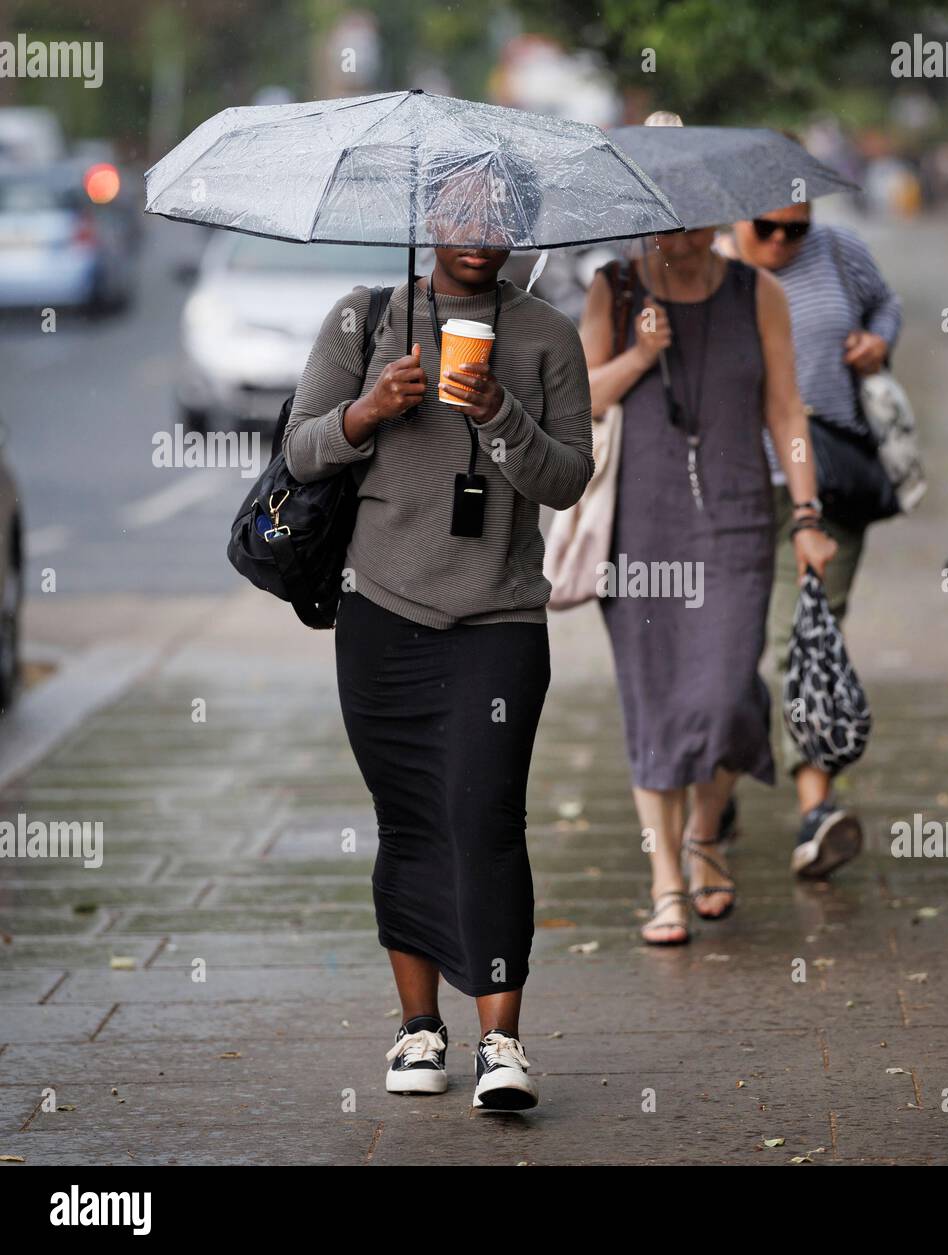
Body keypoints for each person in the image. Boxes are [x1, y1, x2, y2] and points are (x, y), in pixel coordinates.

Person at [283, 161, 594, 1108]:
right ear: (428, 216)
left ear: (523, 231)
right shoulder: (363, 318)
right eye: (461, 210)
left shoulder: (546, 335)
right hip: (380, 613)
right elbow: (299, 447)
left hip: (498, 619)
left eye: (501, 215)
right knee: (409, 818)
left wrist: (499, 413)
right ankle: (419, 1032)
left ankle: (502, 1044)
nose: (478, 229)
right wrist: (369, 409)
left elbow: (570, 478)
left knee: (487, 817)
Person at [580, 223, 835, 945]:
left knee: (724, 691)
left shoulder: (759, 292)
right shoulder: (615, 287)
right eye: (663, 227)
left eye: (692, 223)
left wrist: (808, 511)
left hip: (735, 519)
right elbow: (579, 396)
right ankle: (667, 877)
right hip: (639, 528)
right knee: (655, 695)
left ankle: (704, 831)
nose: (680, 239)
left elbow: (786, 410)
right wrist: (640, 354)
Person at [718, 198, 902, 876]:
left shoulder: (840, 250)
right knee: (732, 642)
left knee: (809, 632)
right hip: (732, 483)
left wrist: (879, 340)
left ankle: (816, 809)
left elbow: (887, 304)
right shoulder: (709, 269)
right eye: (763, 226)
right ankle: (721, 784)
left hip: (826, 480)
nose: (780, 241)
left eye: (795, 228)